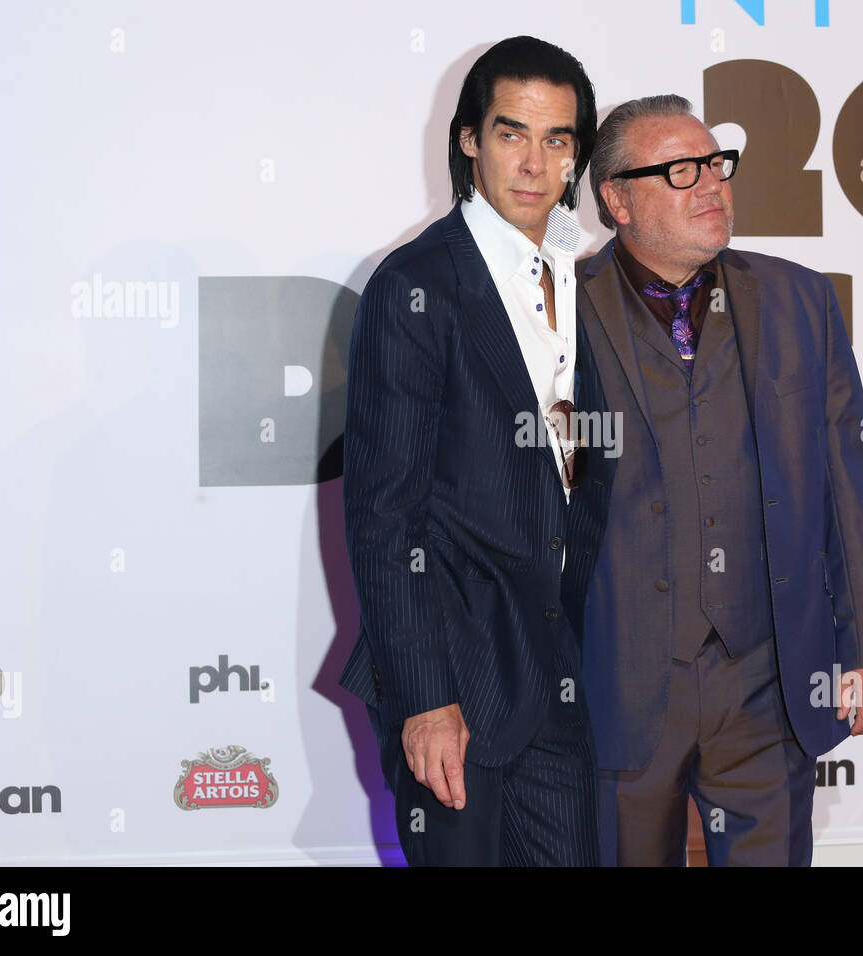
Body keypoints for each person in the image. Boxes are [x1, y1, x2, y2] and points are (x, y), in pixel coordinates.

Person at [577, 95, 863, 866]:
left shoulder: (799, 298)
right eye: (680, 171)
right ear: (617, 200)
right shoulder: (559, 305)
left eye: (717, 165)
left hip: (767, 678)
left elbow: (848, 481)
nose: (711, 186)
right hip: (618, 682)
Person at [337, 36, 609, 865]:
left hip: (563, 677)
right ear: (468, 140)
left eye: (558, 138)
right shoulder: (415, 285)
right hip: (456, 678)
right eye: (510, 133)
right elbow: (384, 515)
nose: (533, 163)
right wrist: (425, 698)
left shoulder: (582, 275)